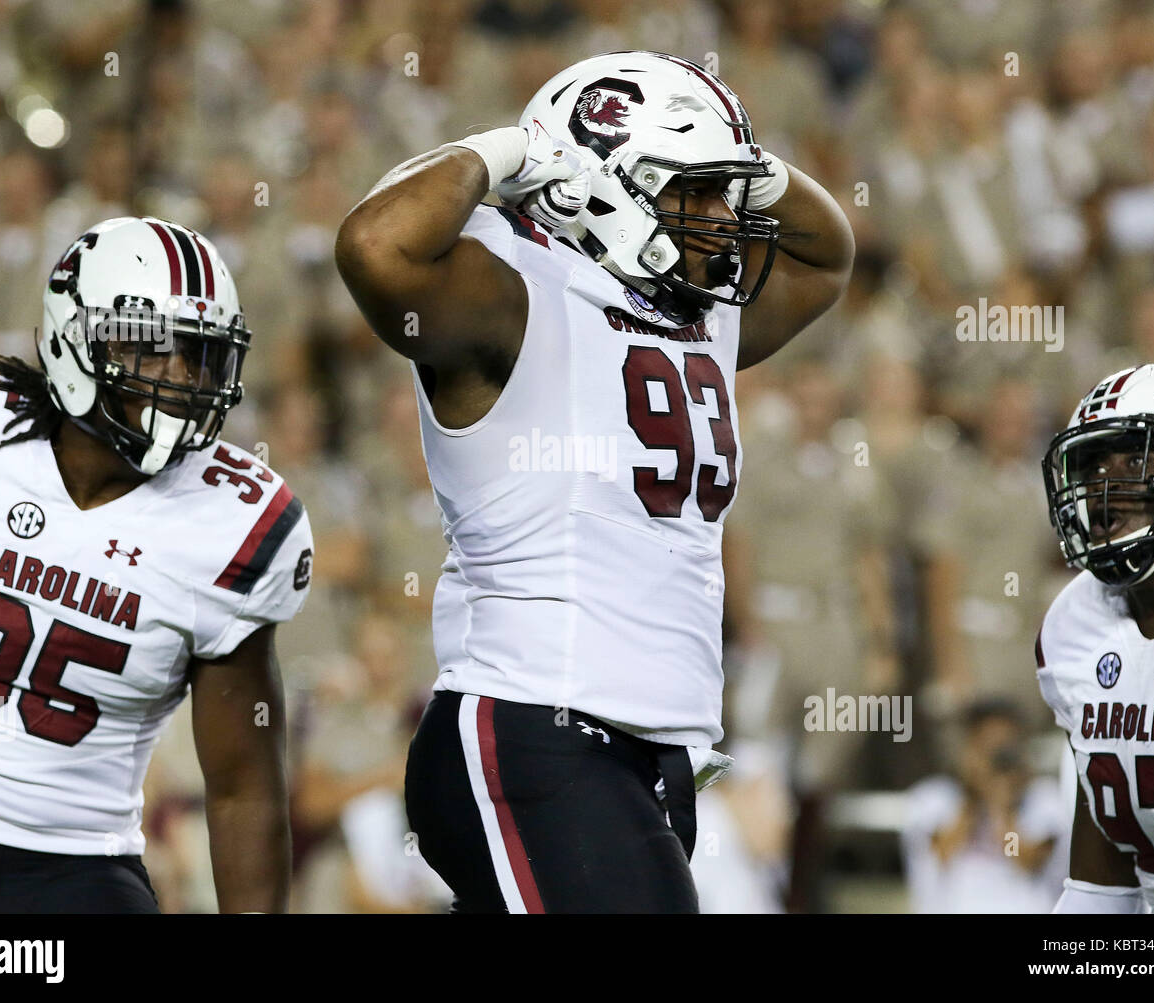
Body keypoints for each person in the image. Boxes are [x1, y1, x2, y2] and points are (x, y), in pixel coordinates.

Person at [336, 50, 853, 912]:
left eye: (727, 194)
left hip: (648, 753)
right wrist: (513, 150)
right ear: (598, 189)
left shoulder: (703, 312)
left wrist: (747, 163)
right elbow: (374, 245)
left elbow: (827, 254)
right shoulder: (515, 287)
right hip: (533, 725)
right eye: (696, 192)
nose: (726, 219)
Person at [0, 216, 313, 913]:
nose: (181, 377)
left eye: (198, 354)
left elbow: (242, 784)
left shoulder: (234, 525)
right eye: (153, 351)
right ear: (75, 337)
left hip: (74, 862)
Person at [1037, 362, 1154, 913]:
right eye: (1090, 465)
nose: (1102, 486)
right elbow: (1103, 880)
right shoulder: (1076, 624)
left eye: (1135, 456)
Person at [902, 699, 1065, 913]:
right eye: (986, 747)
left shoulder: (1043, 800)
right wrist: (972, 798)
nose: (995, 759)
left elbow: (1023, 861)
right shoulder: (933, 798)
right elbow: (942, 854)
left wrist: (1003, 811)